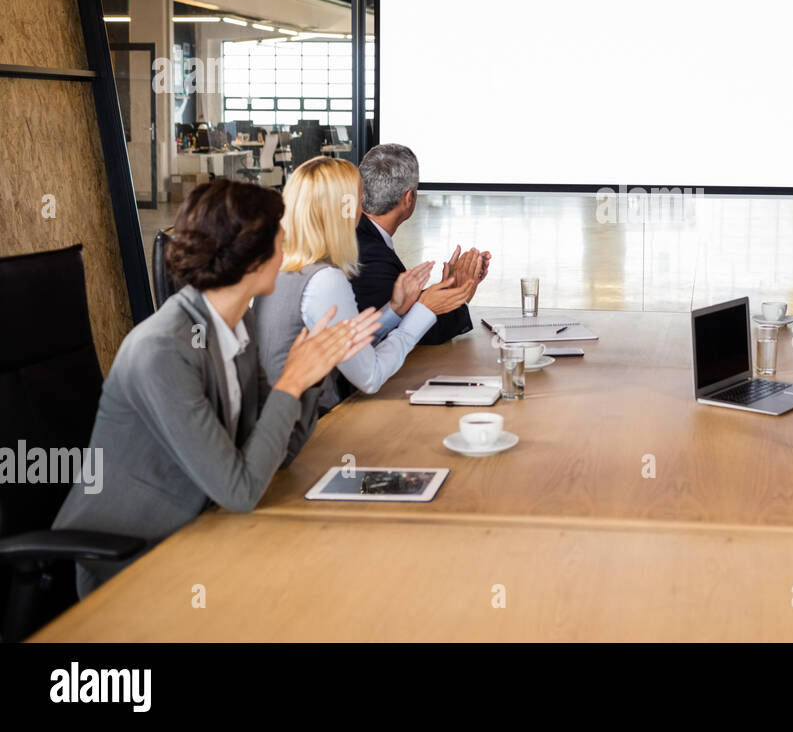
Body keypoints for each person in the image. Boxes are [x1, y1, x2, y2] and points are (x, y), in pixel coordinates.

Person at [53, 179, 381, 596]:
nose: (287, 252)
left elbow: (278, 456)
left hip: (207, 529)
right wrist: (291, 381)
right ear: (251, 261)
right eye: (281, 241)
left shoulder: (233, 323)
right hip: (133, 563)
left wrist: (312, 375)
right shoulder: (162, 351)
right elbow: (241, 491)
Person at [251, 156, 480, 417]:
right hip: (311, 429)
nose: (362, 212)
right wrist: (423, 310)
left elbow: (343, 344)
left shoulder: (283, 266)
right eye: (359, 201)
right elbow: (370, 375)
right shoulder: (325, 280)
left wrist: (395, 309)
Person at [349, 143, 490, 343]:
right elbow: (414, 332)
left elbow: (392, 304)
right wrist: (459, 295)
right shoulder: (372, 256)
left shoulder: (360, 233)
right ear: (409, 198)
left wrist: (446, 290)